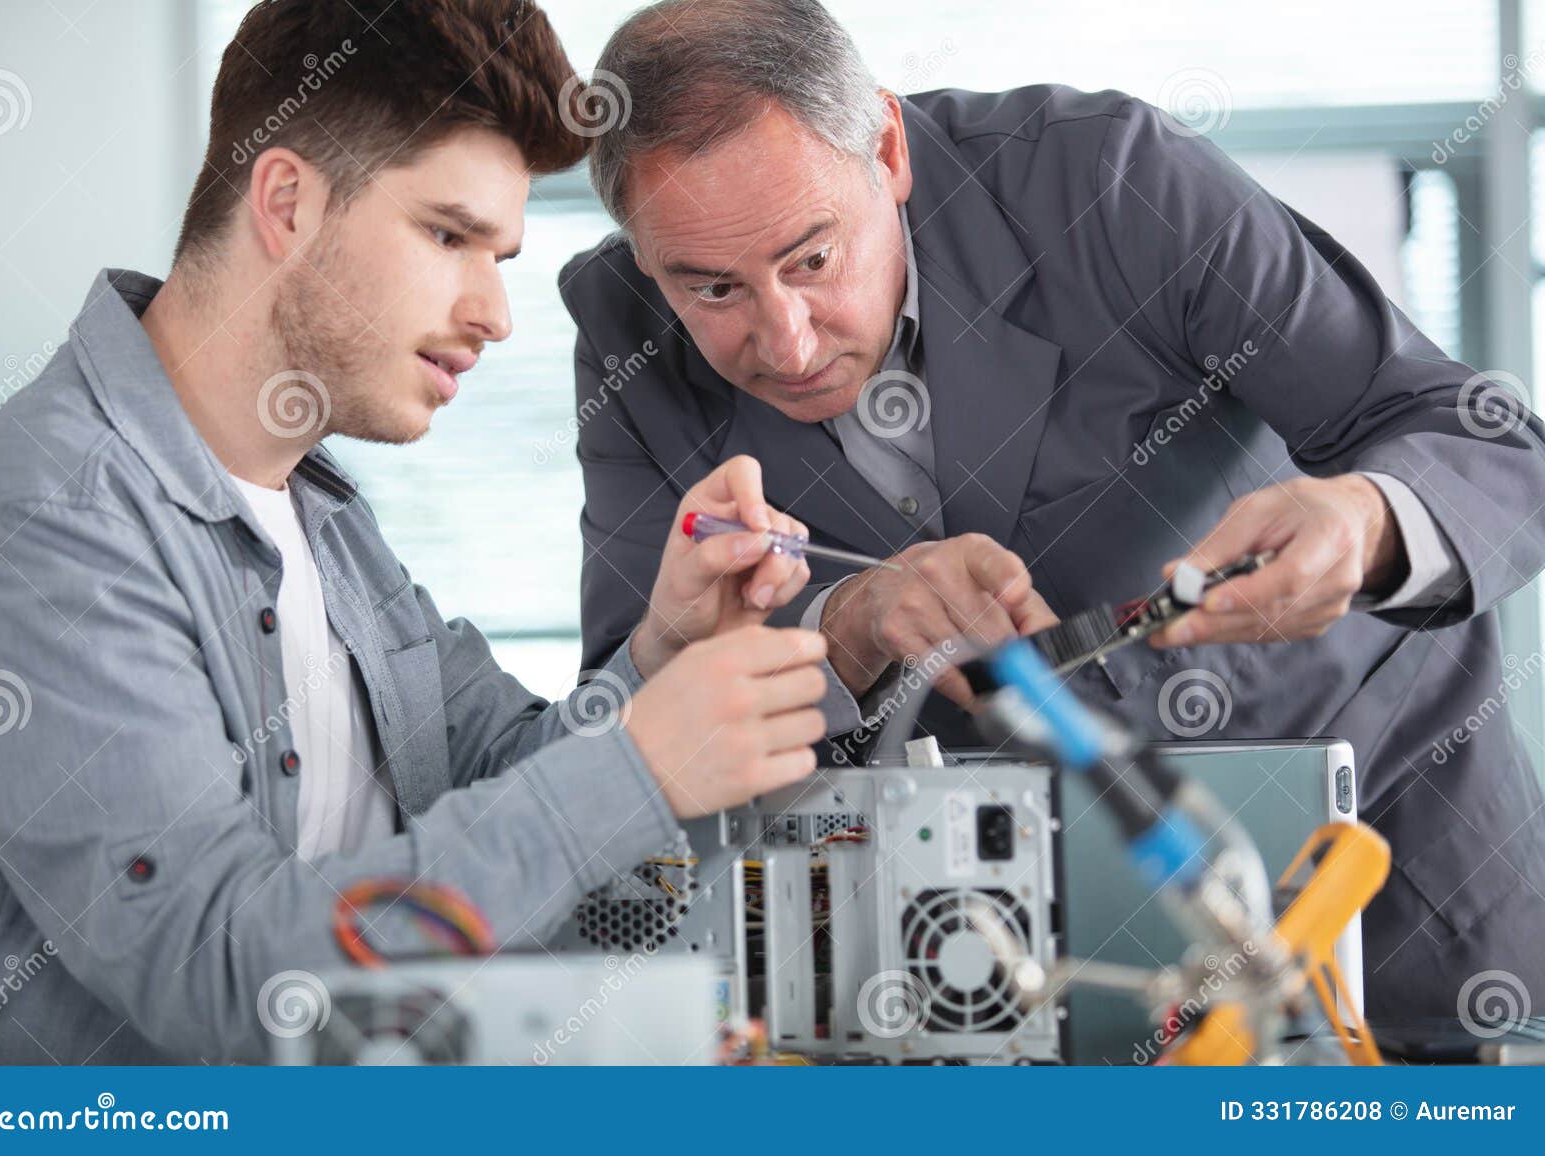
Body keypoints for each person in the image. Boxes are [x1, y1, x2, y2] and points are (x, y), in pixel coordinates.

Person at [562, 0, 1545, 1021]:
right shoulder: (622, 337)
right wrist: (840, 635)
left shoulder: (1111, 180)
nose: (788, 342)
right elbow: (625, 716)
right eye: (713, 289)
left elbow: (1482, 440)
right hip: (1000, 954)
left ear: (887, 149)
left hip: (1389, 863)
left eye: (813, 259)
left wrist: (1367, 523)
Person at [0, 0, 830, 1064]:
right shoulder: (48, 519)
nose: (495, 314)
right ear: (286, 201)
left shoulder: (323, 516)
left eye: (499, 252)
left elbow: (494, 773)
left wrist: (663, 654)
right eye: (448, 235)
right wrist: (639, 768)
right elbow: (224, 973)